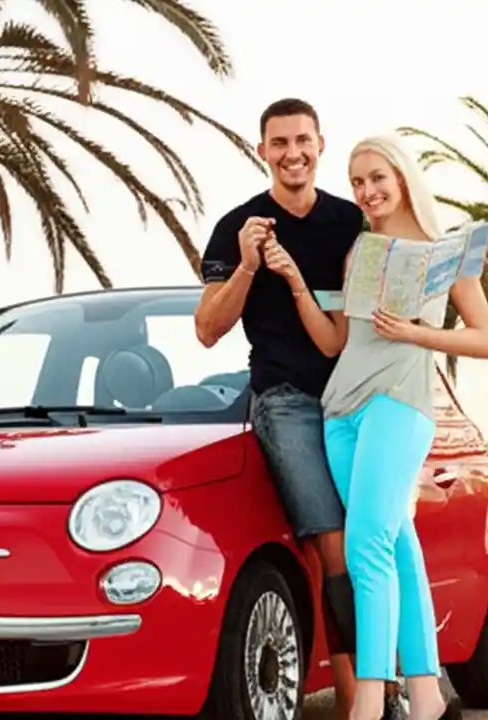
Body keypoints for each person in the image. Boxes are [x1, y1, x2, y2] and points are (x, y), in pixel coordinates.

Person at [263, 133, 488, 720]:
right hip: (341, 414)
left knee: (366, 541)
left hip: (400, 404)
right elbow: (338, 341)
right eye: (358, 182)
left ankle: (371, 696)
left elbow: (484, 339)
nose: (367, 192)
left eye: (377, 178)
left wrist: (417, 333)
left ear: (402, 178)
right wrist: (295, 282)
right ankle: (427, 697)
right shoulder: (360, 253)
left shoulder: (447, 254)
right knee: (397, 544)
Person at [194, 98, 404, 720]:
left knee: (376, 543)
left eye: (303, 141)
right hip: (287, 403)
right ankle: (361, 704)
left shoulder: (349, 222)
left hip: (356, 398)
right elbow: (208, 328)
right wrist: (249, 266)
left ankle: (392, 687)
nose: (293, 153)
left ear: (319, 145)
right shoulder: (238, 226)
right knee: (336, 547)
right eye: (279, 142)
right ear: (262, 150)